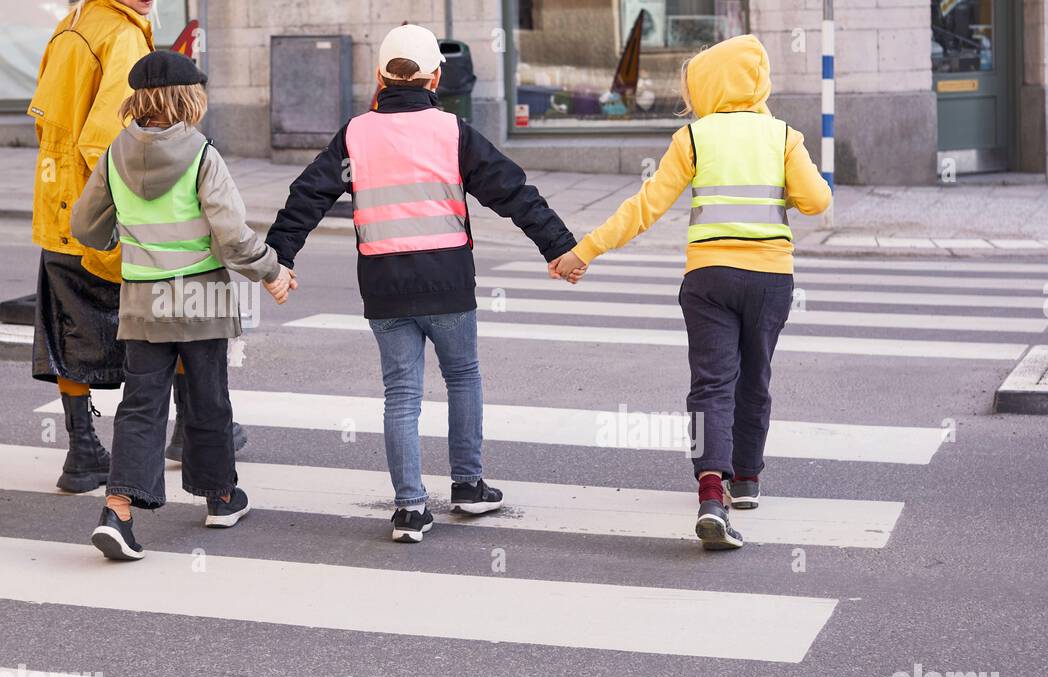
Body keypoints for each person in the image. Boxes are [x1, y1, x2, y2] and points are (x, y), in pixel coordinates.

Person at [265, 24, 579, 544]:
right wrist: (559, 248)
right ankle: (467, 485)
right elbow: (512, 191)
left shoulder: (355, 134)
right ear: (437, 76)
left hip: (384, 287)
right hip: (449, 281)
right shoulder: (453, 133)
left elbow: (308, 196)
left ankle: (410, 509)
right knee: (463, 378)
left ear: (380, 76)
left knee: (401, 395)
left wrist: (278, 262)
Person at [552, 34, 831, 550]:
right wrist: (785, 193)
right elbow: (817, 201)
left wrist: (584, 251)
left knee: (710, 384)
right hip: (771, 278)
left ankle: (710, 489)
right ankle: (746, 478)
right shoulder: (784, 136)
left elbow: (645, 208)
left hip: (708, 280)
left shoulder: (694, 138)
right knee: (756, 378)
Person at [71, 50, 295, 561]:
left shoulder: (114, 155)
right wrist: (272, 272)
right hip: (201, 298)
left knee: (140, 405)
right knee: (207, 398)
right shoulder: (202, 156)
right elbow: (234, 238)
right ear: (190, 98)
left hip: (143, 300)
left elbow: (86, 228)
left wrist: (123, 235)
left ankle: (118, 512)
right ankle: (219, 497)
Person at [28, 0, 155, 493]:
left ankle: (81, 448)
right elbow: (109, 139)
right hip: (97, 211)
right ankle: (192, 431)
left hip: (57, 206)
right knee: (170, 312)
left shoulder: (69, 26)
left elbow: (45, 122)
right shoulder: (120, 36)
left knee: (64, 328)